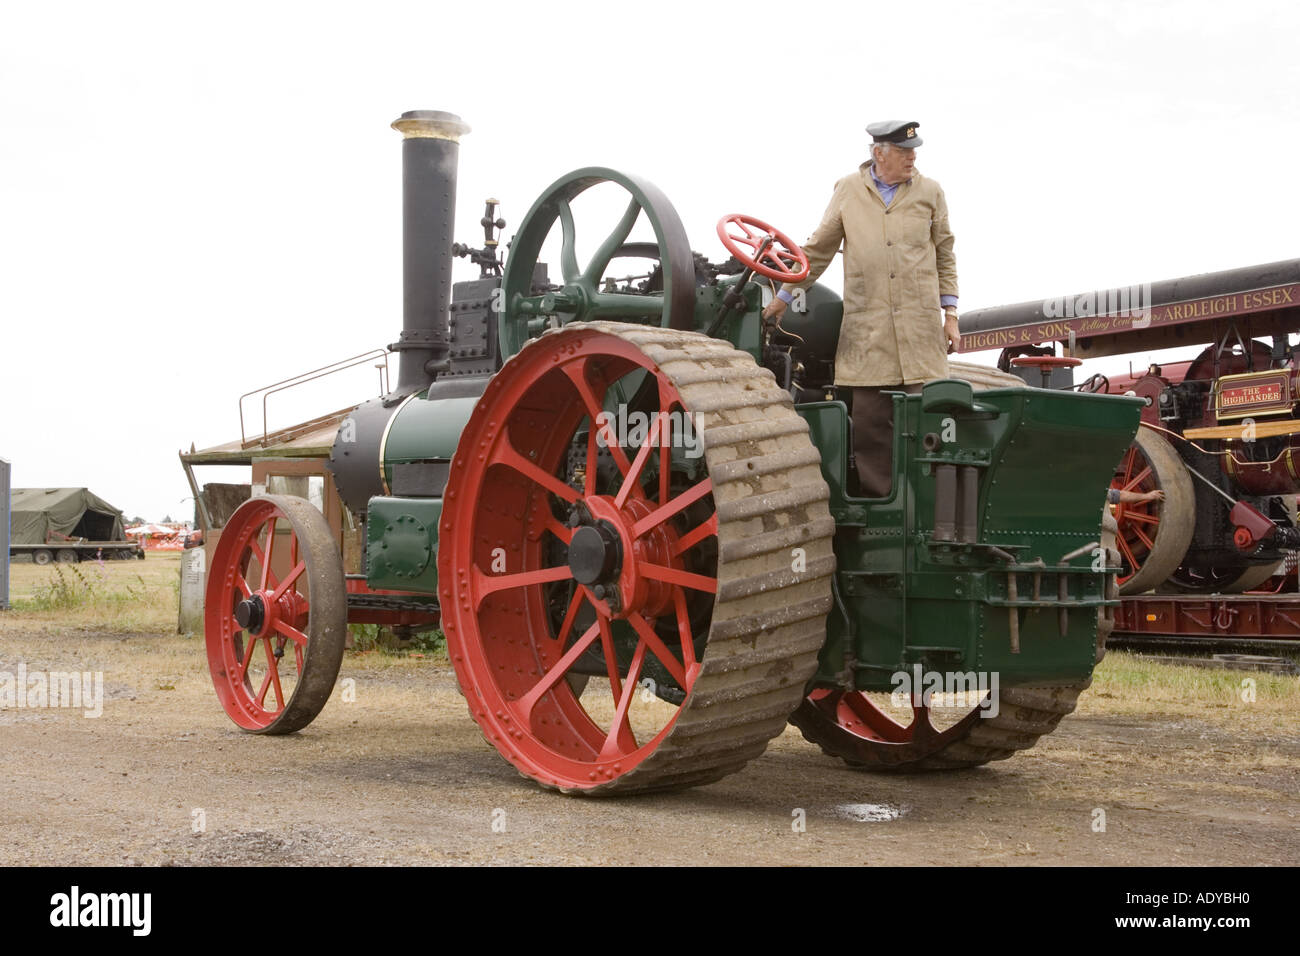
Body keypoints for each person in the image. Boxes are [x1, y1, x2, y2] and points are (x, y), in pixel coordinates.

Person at [763, 120, 959, 497]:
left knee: (929, 423)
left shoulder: (931, 192)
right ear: (878, 153)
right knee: (871, 427)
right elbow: (818, 250)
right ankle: (880, 511)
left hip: (920, 332)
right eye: (904, 151)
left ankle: (929, 509)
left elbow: (945, 255)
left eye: (914, 150)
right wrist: (782, 298)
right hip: (868, 334)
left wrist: (950, 316)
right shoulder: (848, 191)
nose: (913, 156)